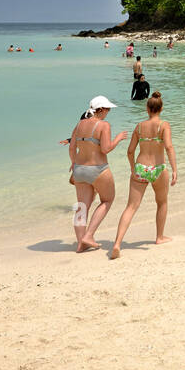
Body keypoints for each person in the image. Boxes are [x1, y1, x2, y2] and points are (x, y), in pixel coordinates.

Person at [110, 92, 177, 260]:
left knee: (131, 207)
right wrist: (175, 169)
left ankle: (117, 243)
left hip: (141, 167)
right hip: (158, 168)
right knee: (162, 202)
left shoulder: (139, 127)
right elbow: (168, 147)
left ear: (147, 109)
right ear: (161, 108)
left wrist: (133, 168)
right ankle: (159, 237)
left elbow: (130, 151)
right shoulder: (164, 125)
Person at [68, 97, 128, 253]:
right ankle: (88, 235)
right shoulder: (104, 125)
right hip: (98, 169)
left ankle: (81, 244)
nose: (108, 112)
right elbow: (105, 149)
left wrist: (74, 164)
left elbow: (72, 148)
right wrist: (118, 139)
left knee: (82, 207)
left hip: (79, 169)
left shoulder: (79, 124)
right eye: (108, 109)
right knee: (107, 200)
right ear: (101, 109)